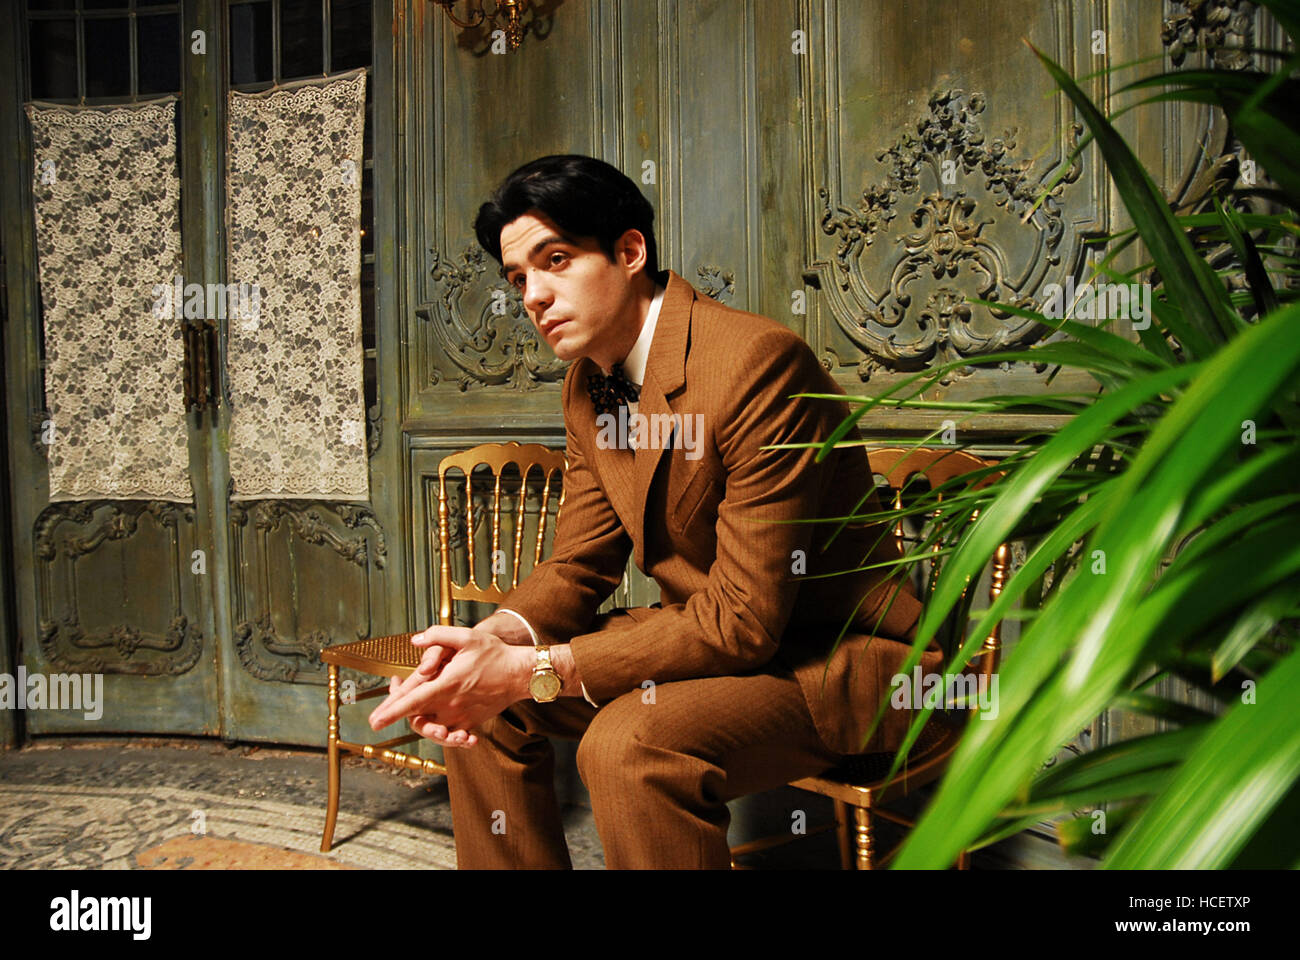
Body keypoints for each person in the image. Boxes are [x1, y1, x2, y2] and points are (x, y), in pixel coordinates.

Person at [368, 154, 942, 868]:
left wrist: (532, 666)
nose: (533, 297)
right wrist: (495, 643)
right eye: (519, 279)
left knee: (627, 745)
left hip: (835, 660)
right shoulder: (587, 384)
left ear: (629, 251)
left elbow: (744, 623)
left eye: (555, 261)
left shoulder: (760, 363)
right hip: (711, 639)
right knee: (482, 697)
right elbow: (579, 563)